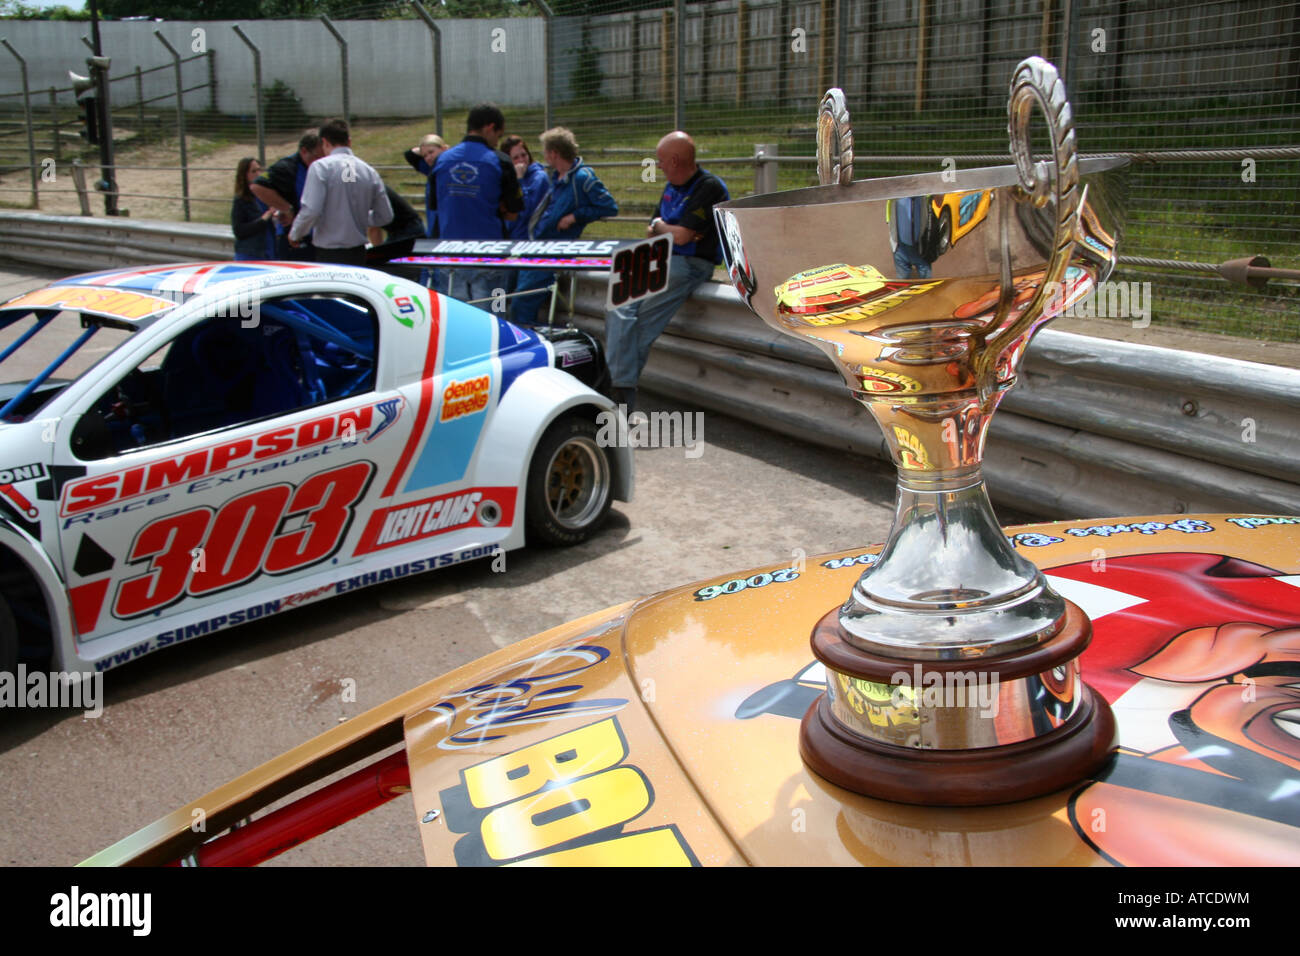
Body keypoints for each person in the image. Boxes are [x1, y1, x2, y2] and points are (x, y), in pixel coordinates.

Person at [604, 131, 728, 411]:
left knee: (638, 325)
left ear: (674, 160)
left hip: (690, 265)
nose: (657, 167)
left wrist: (665, 229)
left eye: (660, 161)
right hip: (659, 259)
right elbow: (652, 232)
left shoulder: (709, 187)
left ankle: (617, 395)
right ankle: (619, 394)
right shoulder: (671, 185)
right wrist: (666, 230)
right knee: (618, 308)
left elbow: (682, 237)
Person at [511, 127, 618, 327]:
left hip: (554, 250)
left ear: (554, 153)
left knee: (521, 304)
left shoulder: (582, 177)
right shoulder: (558, 177)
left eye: (545, 151)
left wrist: (575, 217)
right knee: (517, 299)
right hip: (537, 246)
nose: (544, 156)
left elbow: (609, 206)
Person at [430, 103, 523, 303]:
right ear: (490, 128)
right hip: (489, 254)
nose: (497, 143)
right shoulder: (501, 161)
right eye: (498, 136)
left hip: (449, 254)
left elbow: (434, 205)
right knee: (496, 317)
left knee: (454, 318)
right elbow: (514, 212)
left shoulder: (442, 160)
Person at [289, 119, 392, 267]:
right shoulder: (368, 171)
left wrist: (296, 233)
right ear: (349, 141)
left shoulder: (320, 168)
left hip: (329, 253)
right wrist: (359, 217)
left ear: (324, 142)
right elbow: (385, 215)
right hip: (358, 253)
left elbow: (311, 210)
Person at [251, 131, 325, 260]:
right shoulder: (287, 167)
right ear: (304, 151)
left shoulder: (320, 169)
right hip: (293, 238)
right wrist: (286, 208)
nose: (319, 161)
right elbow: (257, 186)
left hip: (317, 237)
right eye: (316, 157)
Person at [402, 133, 448, 238]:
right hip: (434, 227)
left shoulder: (452, 169)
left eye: (431, 152)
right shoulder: (430, 170)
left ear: (443, 148)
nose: (428, 158)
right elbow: (410, 154)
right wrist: (425, 147)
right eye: (424, 155)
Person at [231, 157, 276, 261]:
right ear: (244, 175)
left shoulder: (265, 194)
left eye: (259, 170)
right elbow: (238, 230)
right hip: (251, 253)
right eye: (253, 171)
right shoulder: (241, 199)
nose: (258, 174)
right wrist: (263, 219)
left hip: (269, 249)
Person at [890, 195, 933, 279]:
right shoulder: (894, 191)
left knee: (926, 283)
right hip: (900, 246)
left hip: (919, 246)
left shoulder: (924, 191)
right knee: (903, 284)